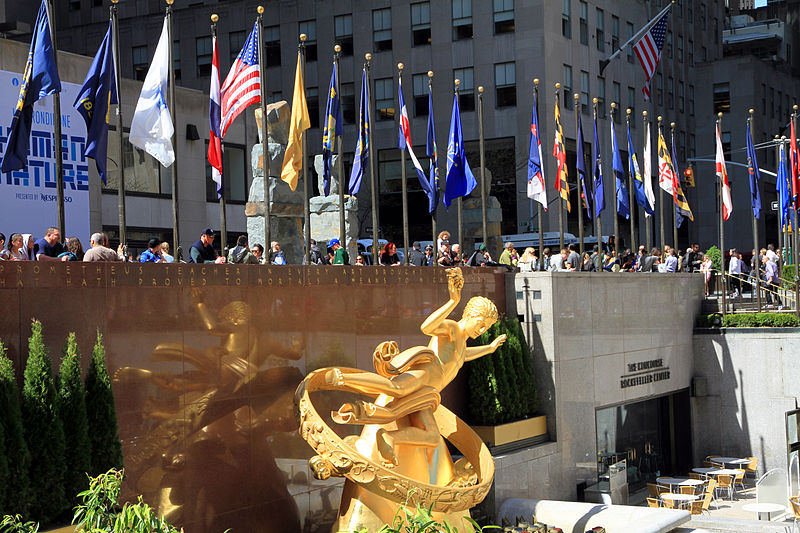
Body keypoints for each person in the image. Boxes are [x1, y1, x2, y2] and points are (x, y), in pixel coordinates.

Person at [323, 267, 505, 466]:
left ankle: (389, 437)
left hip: (429, 393)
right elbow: (427, 327)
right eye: (481, 323)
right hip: (427, 373)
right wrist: (453, 301)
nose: (482, 330)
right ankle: (342, 377)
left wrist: (489, 348)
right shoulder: (452, 329)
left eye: (486, 327)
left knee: (432, 436)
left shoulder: (462, 344)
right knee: (395, 387)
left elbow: (464, 356)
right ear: (469, 315)